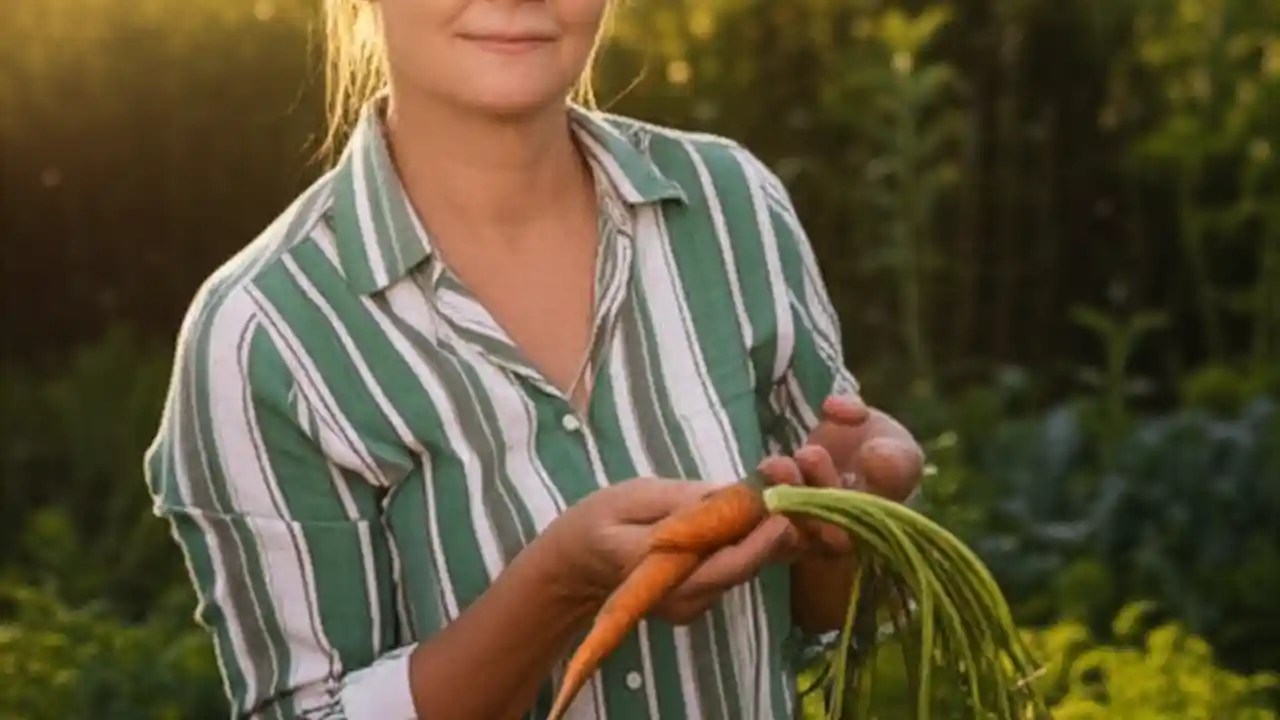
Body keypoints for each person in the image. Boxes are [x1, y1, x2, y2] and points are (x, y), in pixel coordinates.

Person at [142, 0, 926, 718]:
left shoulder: (731, 206)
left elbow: (823, 613)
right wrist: (557, 585)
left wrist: (856, 522)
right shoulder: (263, 335)